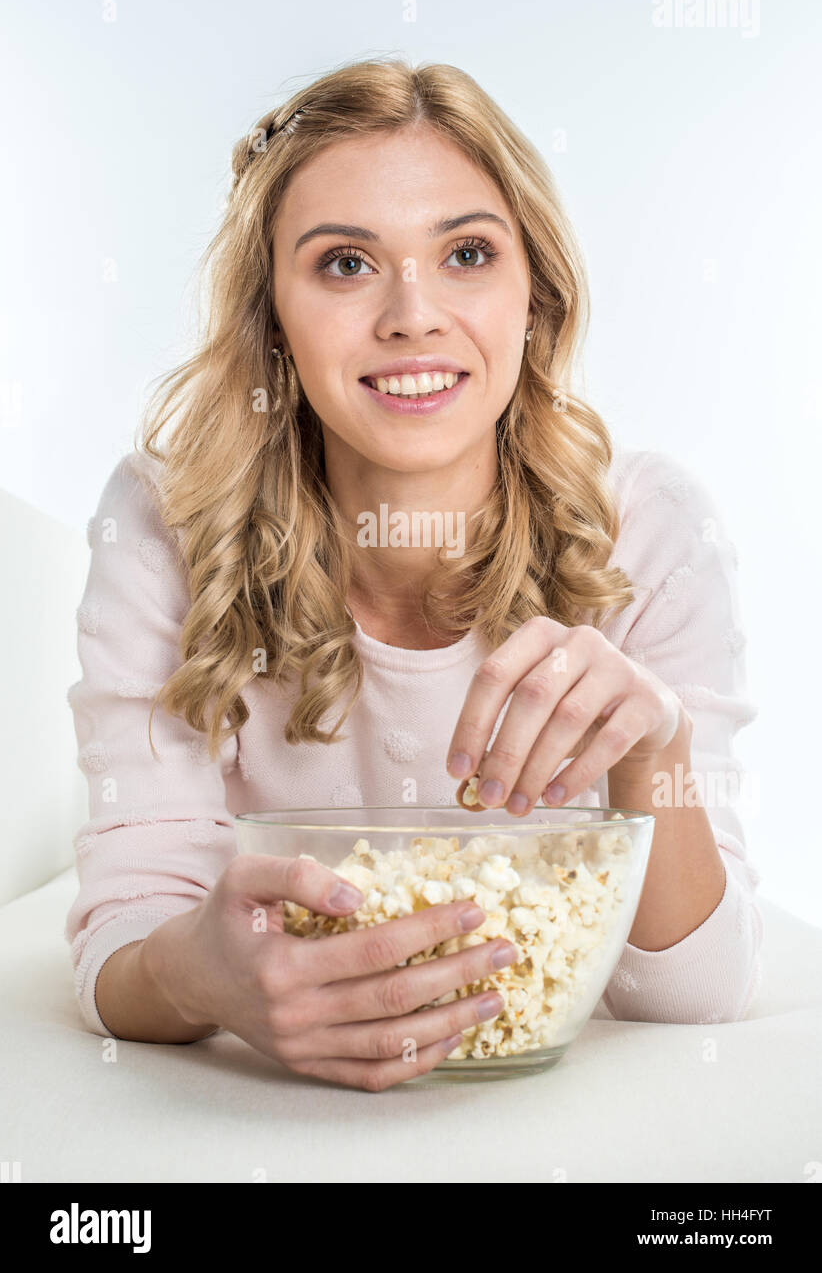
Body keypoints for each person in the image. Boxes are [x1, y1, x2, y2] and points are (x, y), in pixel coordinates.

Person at [66, 57, 763, 1092]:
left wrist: (651, 753)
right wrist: (199, 978)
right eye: (345, 264)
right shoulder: (168, 524)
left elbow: (697, 991)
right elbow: (126, 929)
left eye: (467, 253)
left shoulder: (650, 528)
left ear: (536, 296)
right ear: (272, 318)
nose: (413, 316)